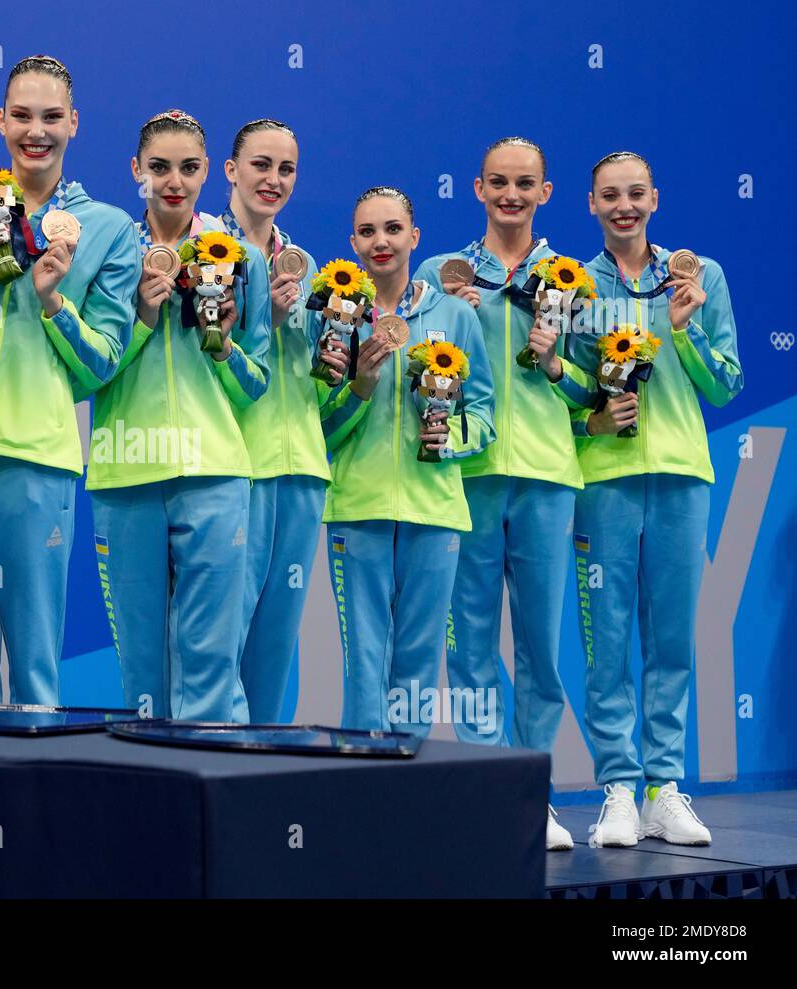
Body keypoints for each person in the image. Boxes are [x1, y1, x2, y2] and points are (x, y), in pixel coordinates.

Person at [0, 55, 138, 705]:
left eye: (50, 117)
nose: (35, 131)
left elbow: (104, 363)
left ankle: (33, 802)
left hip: (36, 459)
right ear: (0, 121)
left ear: (74, 123)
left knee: (38, 665)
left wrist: (52, 303)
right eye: (21, 116)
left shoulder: (107, 230)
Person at [563, 152, 742, 847]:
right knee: (605, 639)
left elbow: (725, 382)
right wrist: (595, 419)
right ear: (591, 204)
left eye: (635, 193)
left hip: (679, 474)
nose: (624, 206)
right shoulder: (573, 286)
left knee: (671, 639)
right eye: (611, 195)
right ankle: (617, 787)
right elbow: (567, 390)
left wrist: (686, 327)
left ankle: (666, 785)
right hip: (603, 480)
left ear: (655, 199)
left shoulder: (700, 278)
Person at [415, 137, 584, 851]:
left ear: (545, 193)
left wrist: (554, 363)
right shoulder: (439, 273)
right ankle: (491, 789)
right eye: (498, 183)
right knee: (473, 649)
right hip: (469, 477)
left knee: (542, 651)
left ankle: (532, 793)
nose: (511, 194)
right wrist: (448, 314)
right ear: (477, 189)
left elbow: (592, 392)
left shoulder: (573, 280)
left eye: (525, 184)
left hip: (547, 473)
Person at [88, 109, 270, 721]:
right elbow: (90, 370)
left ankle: (220, 809)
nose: (174, 182)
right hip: (126, 474)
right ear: (135, 170)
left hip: (216, 472)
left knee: (212, 662)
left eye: (189, 168)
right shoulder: (110, 251)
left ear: (206, 174)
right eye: (159, 168)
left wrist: (219, 341)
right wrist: (140, 314)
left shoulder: (243, 258)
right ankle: (152, 812)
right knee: (141, 673)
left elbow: (258, 383)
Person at [315, 187, 493, 737]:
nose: (381, 242)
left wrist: (450, 439)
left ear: (415, 237)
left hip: (434, 507)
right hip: (357, 506)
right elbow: (319, 423)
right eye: (367, 232)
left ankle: (404, 790)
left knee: (417, 665)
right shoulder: (333, 316)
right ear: (352, 243)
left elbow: (484, 412)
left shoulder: (455, 318)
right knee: (364, 662)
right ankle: (363, 795)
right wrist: (360, 387)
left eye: (392, 229)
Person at [200, 119, 326, 724]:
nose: (273, 180)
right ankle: (216, 769)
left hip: (299, 468)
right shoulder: (201, 255)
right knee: (216, 639)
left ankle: (264, 773)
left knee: (276, 643)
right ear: (230, 170)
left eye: (286, 169)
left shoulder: (308, 271)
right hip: (230, 465)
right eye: (260, 165)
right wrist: (263, 319)